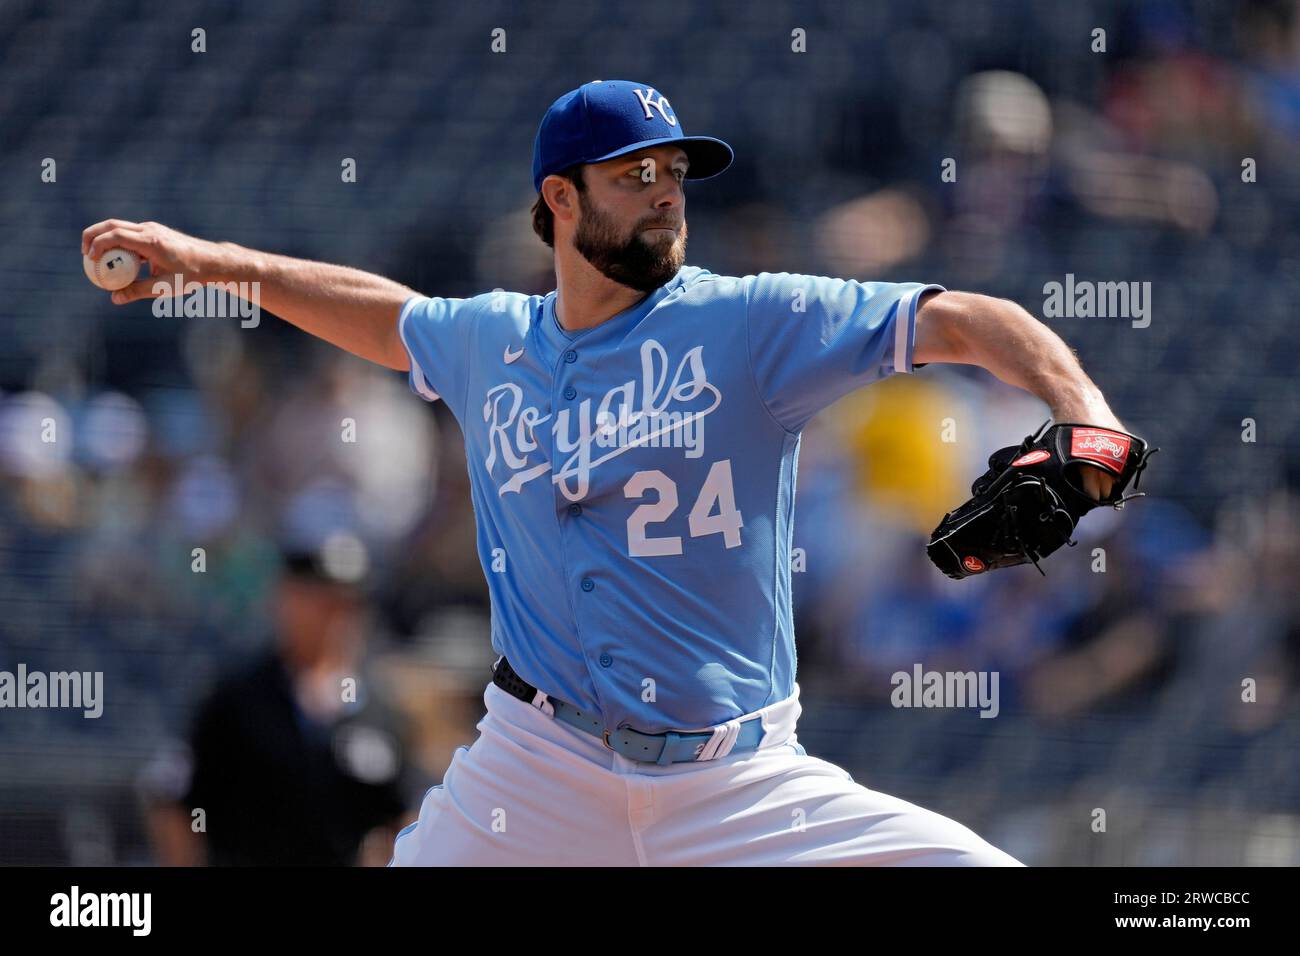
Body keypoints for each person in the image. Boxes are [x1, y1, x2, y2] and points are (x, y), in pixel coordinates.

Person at [89, 80, 1130, 866]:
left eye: (674, 173)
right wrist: (216, 263)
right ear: (560, 196)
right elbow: (383, 313)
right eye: (637, 174)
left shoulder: (751, 320)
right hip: (537, 765)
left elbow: (955, 317)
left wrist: (1080, 408)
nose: (666, 195)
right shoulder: (488, 340)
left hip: (737, 779)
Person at [147, 543, 414, 866]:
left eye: (345, 606)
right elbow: (174, 802)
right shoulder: (238, 700)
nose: (335, 619)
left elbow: (401, 818)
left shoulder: (377, 711)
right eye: (321, 603)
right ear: (286, 601)